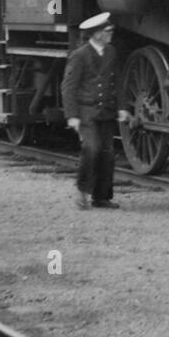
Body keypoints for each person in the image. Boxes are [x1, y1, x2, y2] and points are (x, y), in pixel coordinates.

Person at [61, 12, 132, 210]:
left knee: (108, 154)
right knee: (91, 149)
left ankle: (101, 197)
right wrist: (72, 116)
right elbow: (68, 87)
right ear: (97, 34)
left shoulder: (111, 52)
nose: (111, 33)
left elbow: (117, 82)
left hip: (106, 112)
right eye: (107, 31)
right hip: (86, 112)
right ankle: (82, 191)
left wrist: (122, 108)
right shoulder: (79, 55)